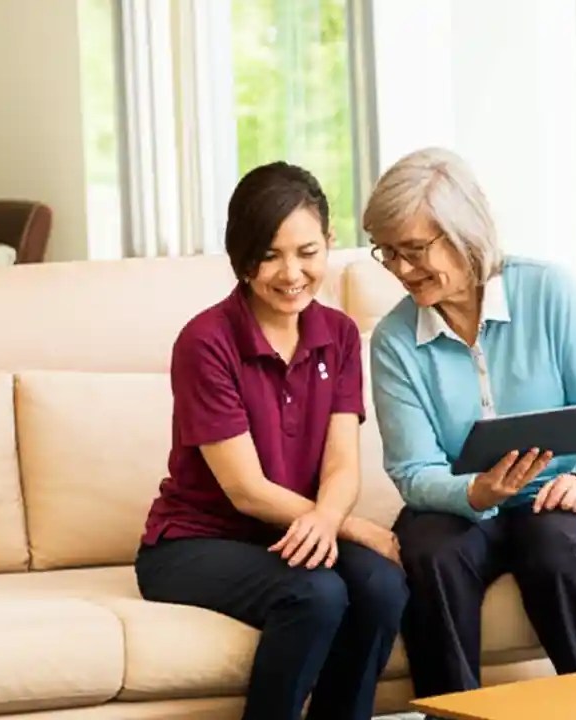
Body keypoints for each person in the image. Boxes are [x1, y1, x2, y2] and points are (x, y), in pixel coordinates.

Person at [135, 161, 407, 720]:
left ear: (330, 245)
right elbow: (247, 491)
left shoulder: (339, 335)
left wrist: (329, 516)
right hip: (194, 544)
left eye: (307, 252)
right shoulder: (206, 341)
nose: (291, 273)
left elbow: (342, 467)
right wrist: (346, 524)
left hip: (293, 533)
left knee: (380, 586)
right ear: (241, 255)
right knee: (317, 593)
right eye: (269, 255)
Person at [364, 147, 576, 698]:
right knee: (431, 553)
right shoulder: (394, 339)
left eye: (414, 250)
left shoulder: (548, 291)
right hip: (457, 504)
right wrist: (478, 492)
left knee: (558, 548)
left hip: (559, 495)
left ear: (464, 230)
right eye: (387, 253)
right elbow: (414, 469)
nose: (401, 269)